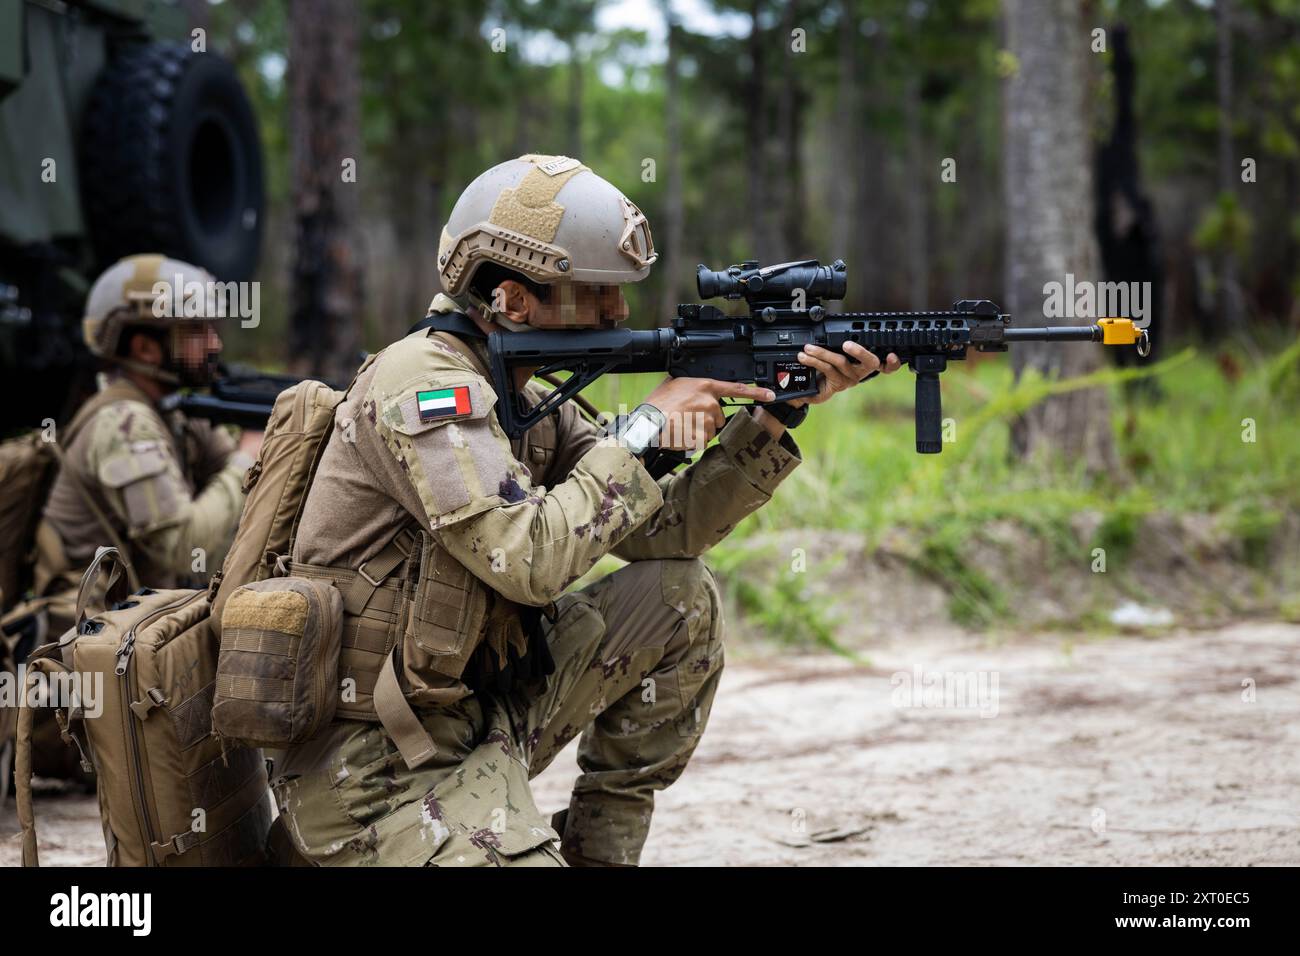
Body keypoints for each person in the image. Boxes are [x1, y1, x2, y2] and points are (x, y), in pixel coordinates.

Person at [270, 155, 898, 866]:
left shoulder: (529, 400)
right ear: (513, 299)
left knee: (677, 598)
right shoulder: (423, 384)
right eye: (598, 293)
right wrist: (644, 430)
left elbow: (663, 535)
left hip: (484, 713)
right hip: (375, 765)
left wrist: (775, 419)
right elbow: (527, 559)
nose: (620, 313)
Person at [36, 253, 260, 602]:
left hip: (137, 633)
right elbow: (185, 548)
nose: (215, 344)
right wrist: (248, 456)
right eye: (196, 331)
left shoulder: (172, 413)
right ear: (145, 349)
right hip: (88, 642)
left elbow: (244, 494)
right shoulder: (124, 424)